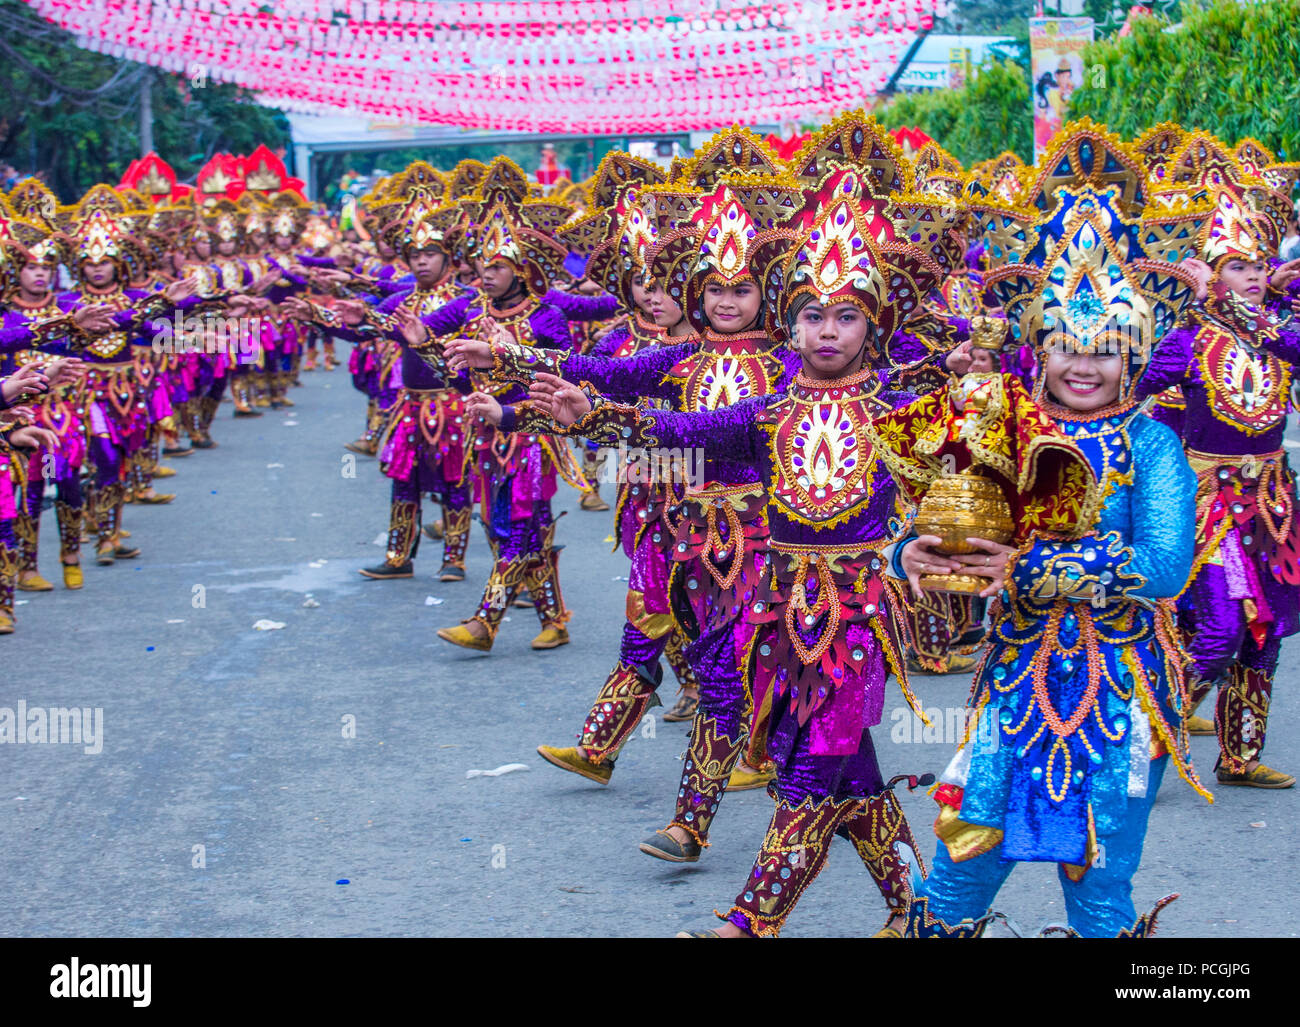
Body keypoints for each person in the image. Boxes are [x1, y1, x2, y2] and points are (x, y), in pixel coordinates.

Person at [902, 124, 1211, 938]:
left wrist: (1034, 567)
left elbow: (1167, 563)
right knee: (958, 872)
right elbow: (934, 507)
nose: (1085, 365)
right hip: (1012, 681)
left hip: (1119, 686)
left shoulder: (1153, 442)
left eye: (1106, 350)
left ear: (1135, 355)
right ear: (1037, 346)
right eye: (1066, 345)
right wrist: (918, 551)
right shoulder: (999, 420)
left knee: (1101, 888)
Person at [1132, 132, 1300, 788]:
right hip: (1211, 507)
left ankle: (1240, 756)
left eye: (1258, 264)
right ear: (1210, 273)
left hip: (1272, 506)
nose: (1253, 275)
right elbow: (1124, 402)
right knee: (1223, 627)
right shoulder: (1186, 342)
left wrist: (1256, 321)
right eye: (1236, 265)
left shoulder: (1281, 336)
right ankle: (1146, 739)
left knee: (1264, 635)